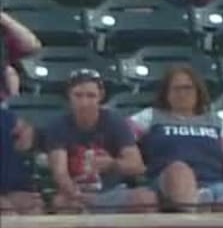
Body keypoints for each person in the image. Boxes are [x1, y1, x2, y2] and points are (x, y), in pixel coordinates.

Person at [128, 65, 223, 212]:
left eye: (187, 88)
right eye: (176, 89)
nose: (182, 94)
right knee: (179, 169)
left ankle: (206, 210)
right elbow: (122, 136)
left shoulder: (215, 121)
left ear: (197, 91)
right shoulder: (151, 116)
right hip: (168, 182)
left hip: (214, 184)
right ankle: (196, 211)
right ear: (166, 93)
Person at [44, 69, 157, 213]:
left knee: (147, 198)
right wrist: (76, 194)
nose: (84, 103)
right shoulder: (58, 125)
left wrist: (112, 164)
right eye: (78, 95)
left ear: (101, 96)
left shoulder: (114, 121)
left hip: (111, 192)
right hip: (75, 192)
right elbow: (60, 174)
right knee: (62, 204)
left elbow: (137, 165)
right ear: (69, 96)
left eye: (91, 96)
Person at [0, 105, 43, 215]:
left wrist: (27, 131)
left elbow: (25, 142)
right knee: (6, 212)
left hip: (10, 189)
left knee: (34, 208)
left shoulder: (7, 117)